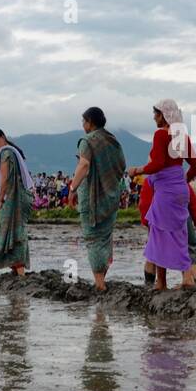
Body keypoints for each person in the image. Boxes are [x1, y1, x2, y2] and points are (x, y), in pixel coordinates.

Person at [127, 99, 196, 290]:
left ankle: (162, 283)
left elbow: (157, 163)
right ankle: (187, 277)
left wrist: (138, 170)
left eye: (156, 114)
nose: (154, 117)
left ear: (165, 115)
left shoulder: (161, 135)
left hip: (166, 191)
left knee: (159, 233)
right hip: (180, 191)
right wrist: (183, 181)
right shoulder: (182, 136)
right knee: (179, 234)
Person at [70, 107, 126, 291]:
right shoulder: (112, 140)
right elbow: (121, 165)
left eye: (84, 121)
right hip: (111, 195)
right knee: (105, 238)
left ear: (90, 122)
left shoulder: (87, 141)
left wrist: (72, 188)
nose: (83, 125)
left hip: (91, 196)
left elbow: (84, 164)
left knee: (93, 238)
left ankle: (100, 284)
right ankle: (102, 278)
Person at [0, 127, 33, 274]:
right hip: (19, 197)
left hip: (13, 198)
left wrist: (0, 199)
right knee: (14, 231)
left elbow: (5, 178)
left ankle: (19, 271)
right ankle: (16, 270)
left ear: (3, 137)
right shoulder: (13, 152)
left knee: (11, 231)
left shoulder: (6, 153)